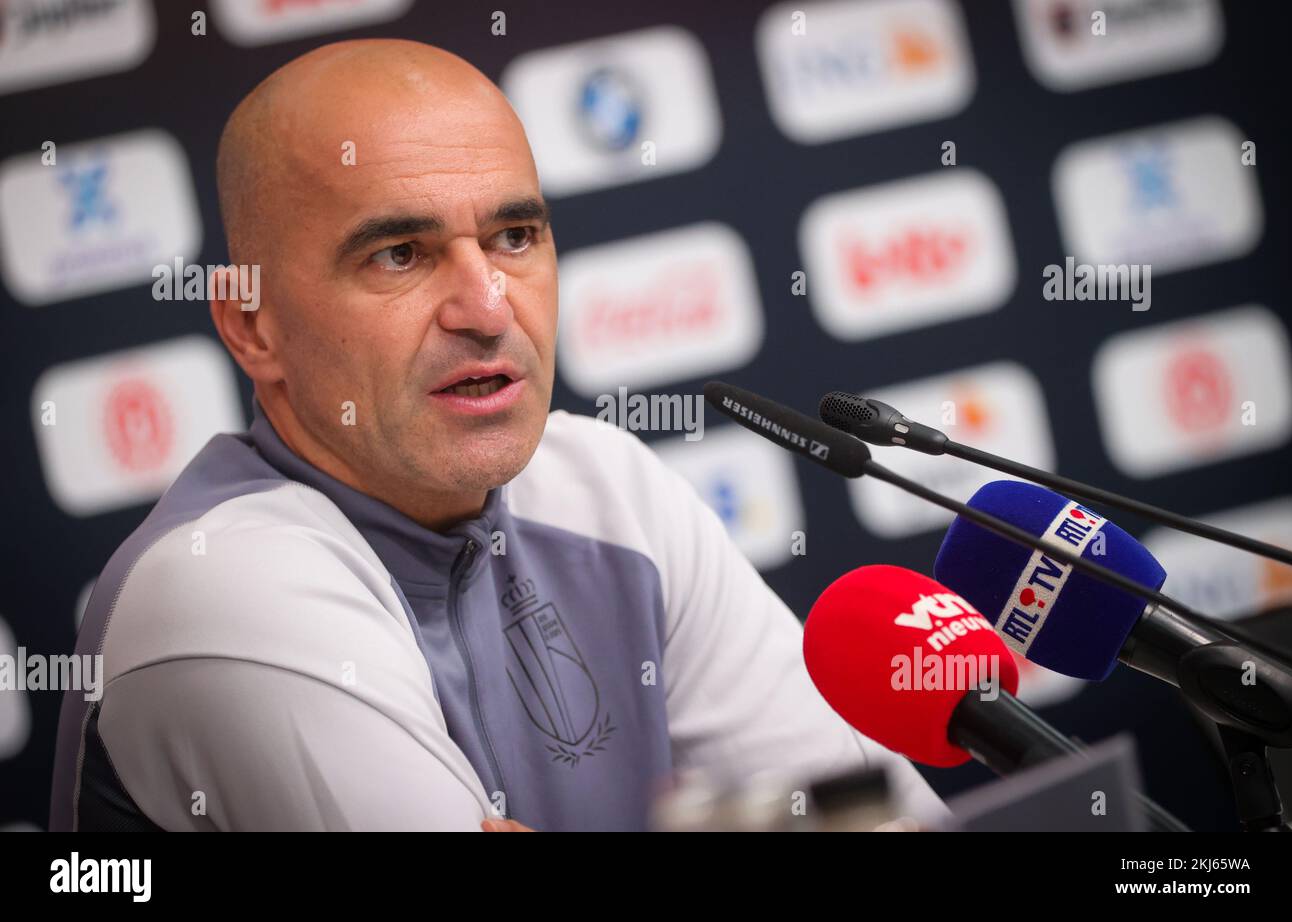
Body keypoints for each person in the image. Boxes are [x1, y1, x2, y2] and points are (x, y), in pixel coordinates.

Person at [49, 39, 944, 831]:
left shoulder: (609, 488)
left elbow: (875, 825)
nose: (486, 307)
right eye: (397, 254)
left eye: (515, 235)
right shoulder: (220, 587)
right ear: (253, 324)